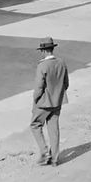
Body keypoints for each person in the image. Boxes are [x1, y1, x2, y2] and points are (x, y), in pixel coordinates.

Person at [30, 37, 69, 167]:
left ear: (43, 51)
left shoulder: (42, 66)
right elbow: (66, 84)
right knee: (54, 128)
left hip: (44, 103)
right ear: (52, 49)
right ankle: (55, 159)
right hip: (57, 101)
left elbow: (39, 87)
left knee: (35, 125)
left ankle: (44, 153)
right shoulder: (61, 63)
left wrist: (36, 99)